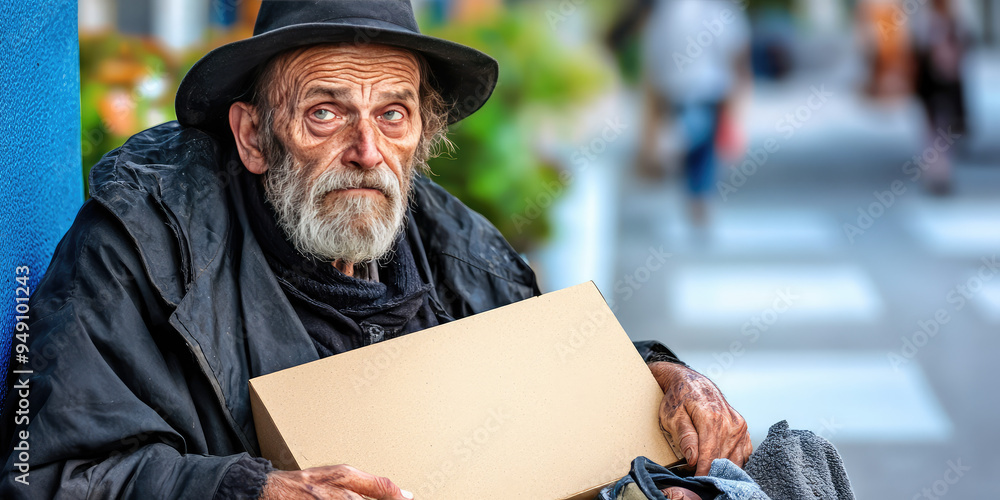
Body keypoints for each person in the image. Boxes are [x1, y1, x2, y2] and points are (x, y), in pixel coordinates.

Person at [0, 1, 751, 498]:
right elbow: (45, 474)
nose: (367, 151)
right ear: (253, 136)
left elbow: (555, 388)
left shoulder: (463, 254)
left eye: (393, 115)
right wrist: (251, 490)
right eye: (326, 112)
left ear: (421, 137)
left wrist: (661, 377)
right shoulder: (137, 248)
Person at [638, 0, 752, 227]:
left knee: (701, 149)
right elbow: (733, 48)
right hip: (706, 84)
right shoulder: (716, 10)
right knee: (702, 140)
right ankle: (694, 185)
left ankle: (696, 195)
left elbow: (653, 51)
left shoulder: (666, 10)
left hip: (676, 84)